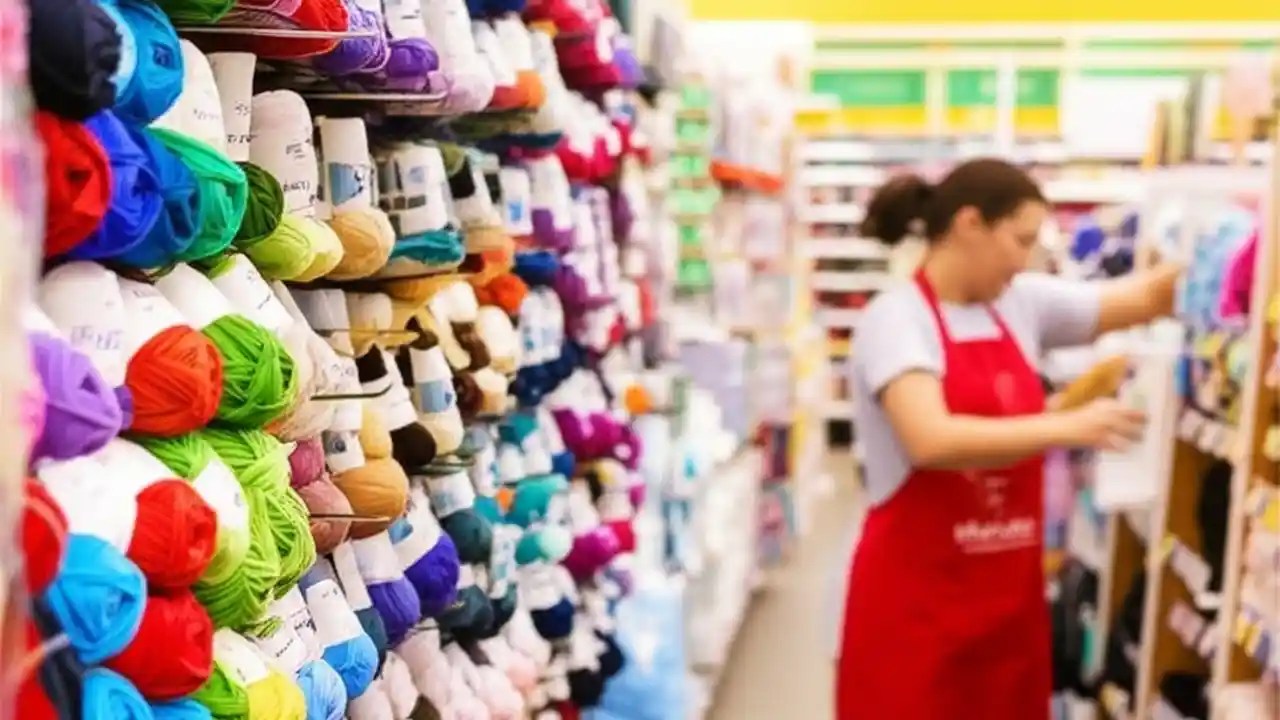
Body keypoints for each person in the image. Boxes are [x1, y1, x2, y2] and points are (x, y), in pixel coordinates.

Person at [836, 158, 1181, 719]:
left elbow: (1142, 298)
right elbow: (931, 439)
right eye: (1020, 240)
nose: (1025, 260)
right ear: (970, 224)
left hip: (1005, 609)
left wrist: (1232, 255)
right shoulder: (895, 319)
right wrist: (1069, 425)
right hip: (916, 612)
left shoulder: (1021, 305)